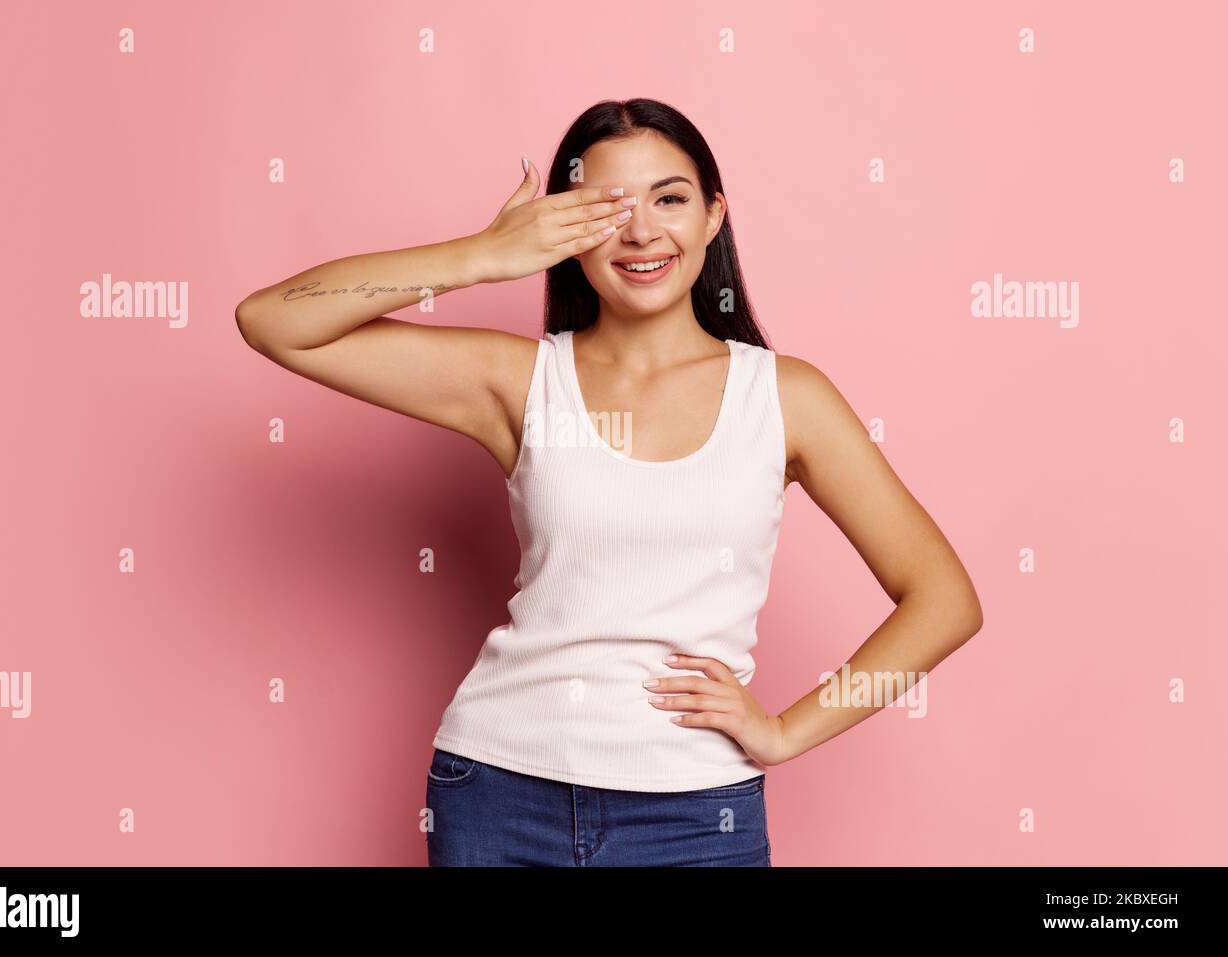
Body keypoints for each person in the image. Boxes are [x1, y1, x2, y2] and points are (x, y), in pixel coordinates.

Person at [235, 98, 983, 867]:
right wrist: (483, 255)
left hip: (698, 814)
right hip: (500, 790)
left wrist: (786, 729)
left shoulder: (786, 397)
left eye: (669, 199)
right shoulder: (522, 380)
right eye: (608, 208)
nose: (641, 232)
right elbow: (274, 320)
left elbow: (944, 599)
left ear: (714, 214)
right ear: (567, 229)